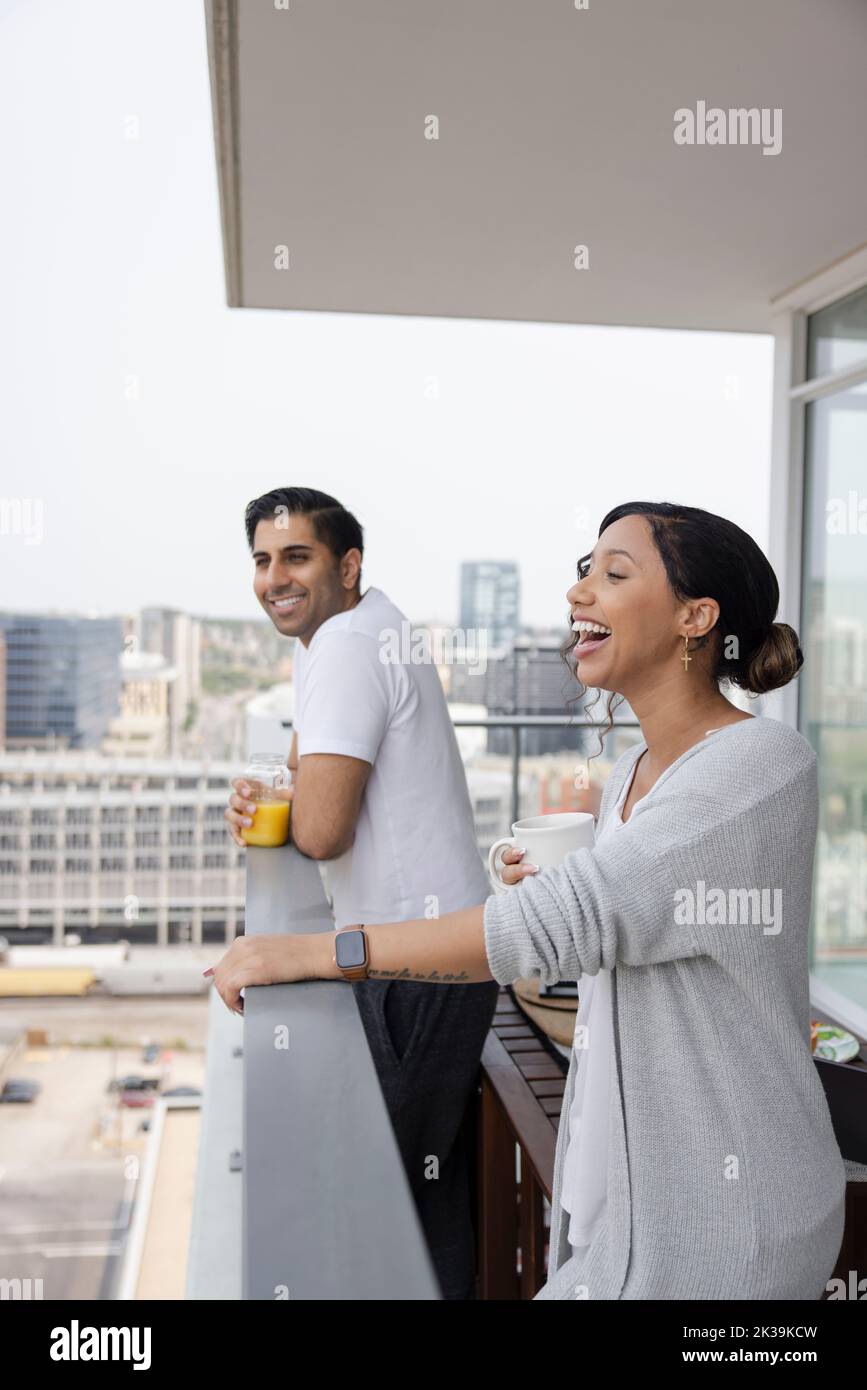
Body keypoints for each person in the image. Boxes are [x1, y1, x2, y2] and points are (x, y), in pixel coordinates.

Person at [211, 500, 847, 1300]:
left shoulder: (759, 766)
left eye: (614, 574)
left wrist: (316, 952)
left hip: (726, 1222)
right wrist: (567, 880)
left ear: (695, 617)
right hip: (628, 1203)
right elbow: (635, 909)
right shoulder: (633, 775)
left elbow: (563, 921)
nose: (579, 592)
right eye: (584, 571)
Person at [222, 486, 499, 1300]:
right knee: (420, 1191)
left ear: (347, 564)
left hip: (416, 967)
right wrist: (265, 792)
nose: (275, 577)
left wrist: (288, 797)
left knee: (375, 1201)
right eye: (262, 560)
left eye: (295, 557)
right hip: (433, 953)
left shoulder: (346, 643)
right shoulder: (348, 633)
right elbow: (308, 780)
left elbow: (320, 830)